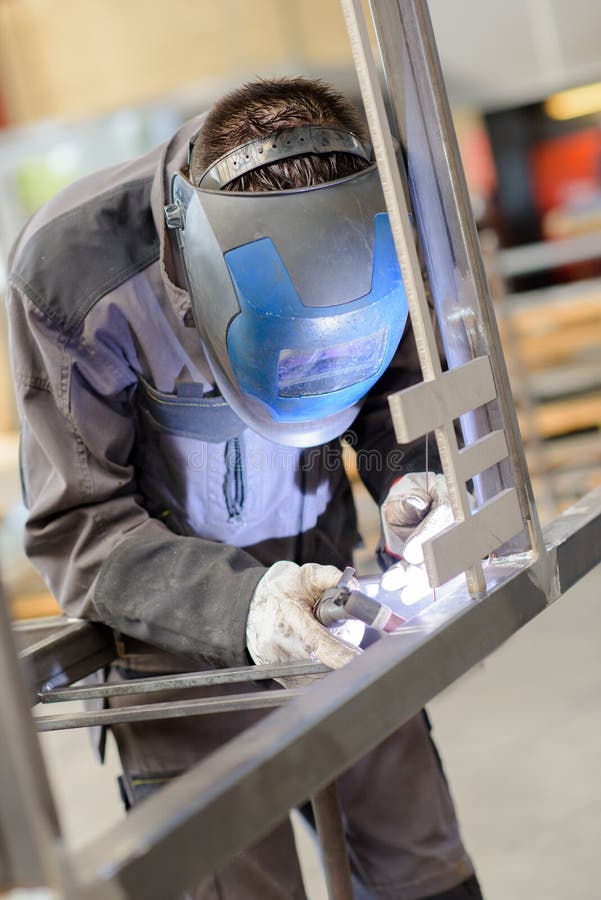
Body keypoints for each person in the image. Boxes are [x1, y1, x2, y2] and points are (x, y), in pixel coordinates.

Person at [7, 77, 482, 899]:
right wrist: (241, 609)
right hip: (173, 644)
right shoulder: (73, 269)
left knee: (425, 872)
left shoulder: (385, 205)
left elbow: (400, 405)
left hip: (341, 600)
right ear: (190, 275)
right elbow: (78, 526)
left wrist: (422, 484)